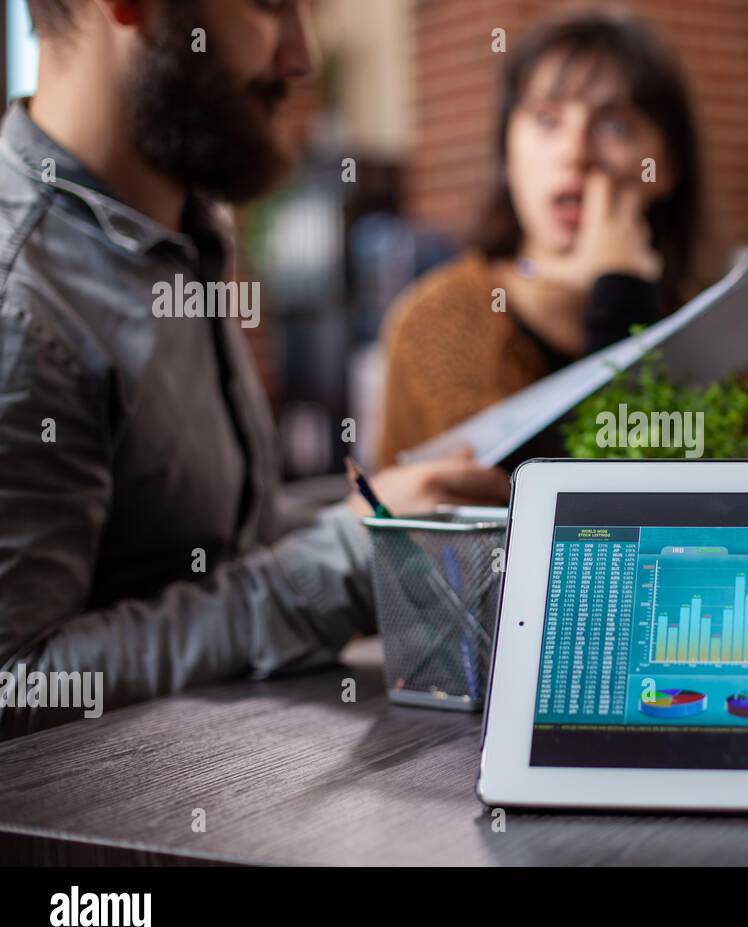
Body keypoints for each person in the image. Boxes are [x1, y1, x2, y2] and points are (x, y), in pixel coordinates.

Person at [0, 0, 507, 738]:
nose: (301, 57)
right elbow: (17, 687)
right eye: (272, 4)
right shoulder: (23, 305)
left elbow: (205, 557)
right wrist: (337, 562)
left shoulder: (174, 239)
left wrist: (365, 522)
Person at [375, 11, 721, 467]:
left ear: (667, 168)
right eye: (546, 119)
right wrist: (618, 297)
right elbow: (545, 508)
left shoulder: (693, 317)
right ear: (507, 152)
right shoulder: (444, 318)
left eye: (614, 125)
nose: (574, 151)